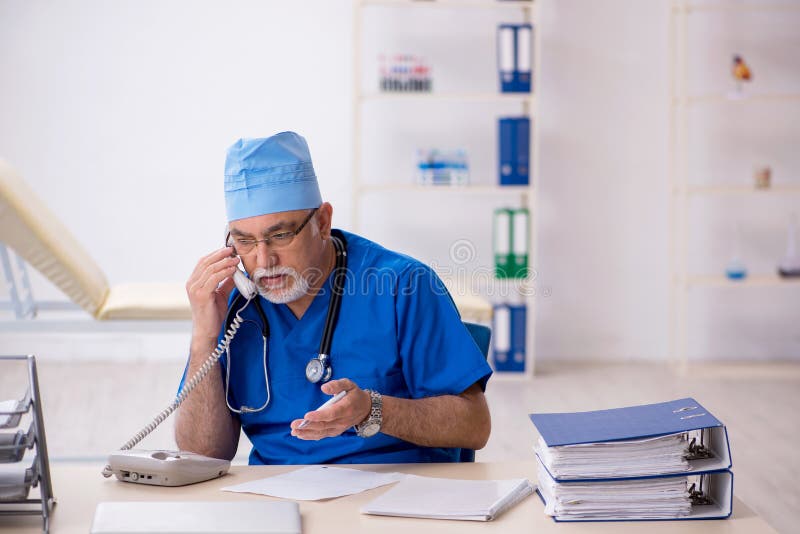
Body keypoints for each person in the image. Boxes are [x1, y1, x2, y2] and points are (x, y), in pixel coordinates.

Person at [175, 132, 492, 465]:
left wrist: (374, 410)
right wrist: (204, 339)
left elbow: (474, 425)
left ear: (323, 222)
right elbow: (202, 455)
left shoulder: (402, 286)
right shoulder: (235, 307)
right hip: (276, 490)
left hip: (395, 486)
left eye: (280, 235)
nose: (264, 260)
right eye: (245, 241)